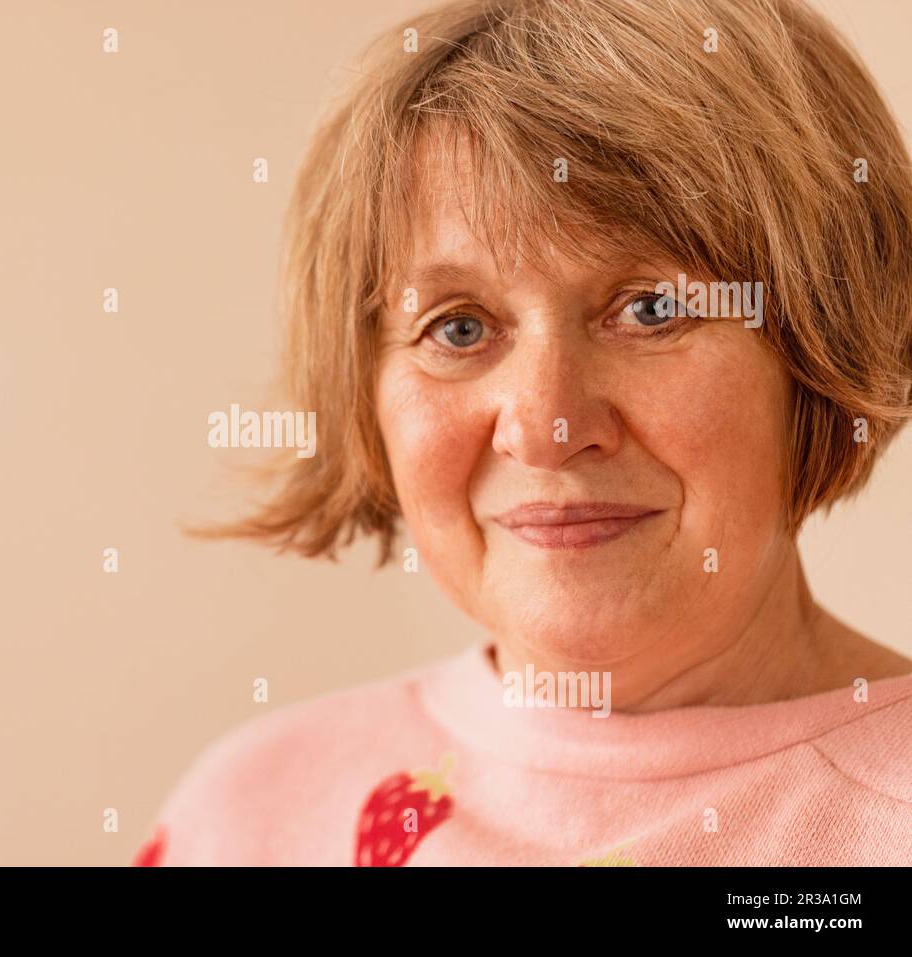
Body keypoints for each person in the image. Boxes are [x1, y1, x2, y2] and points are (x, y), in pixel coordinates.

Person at [137, 0, 912, 866]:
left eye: (650, 309)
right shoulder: (246, 814)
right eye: (459, 327)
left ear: (823, 341)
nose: (546, 429)